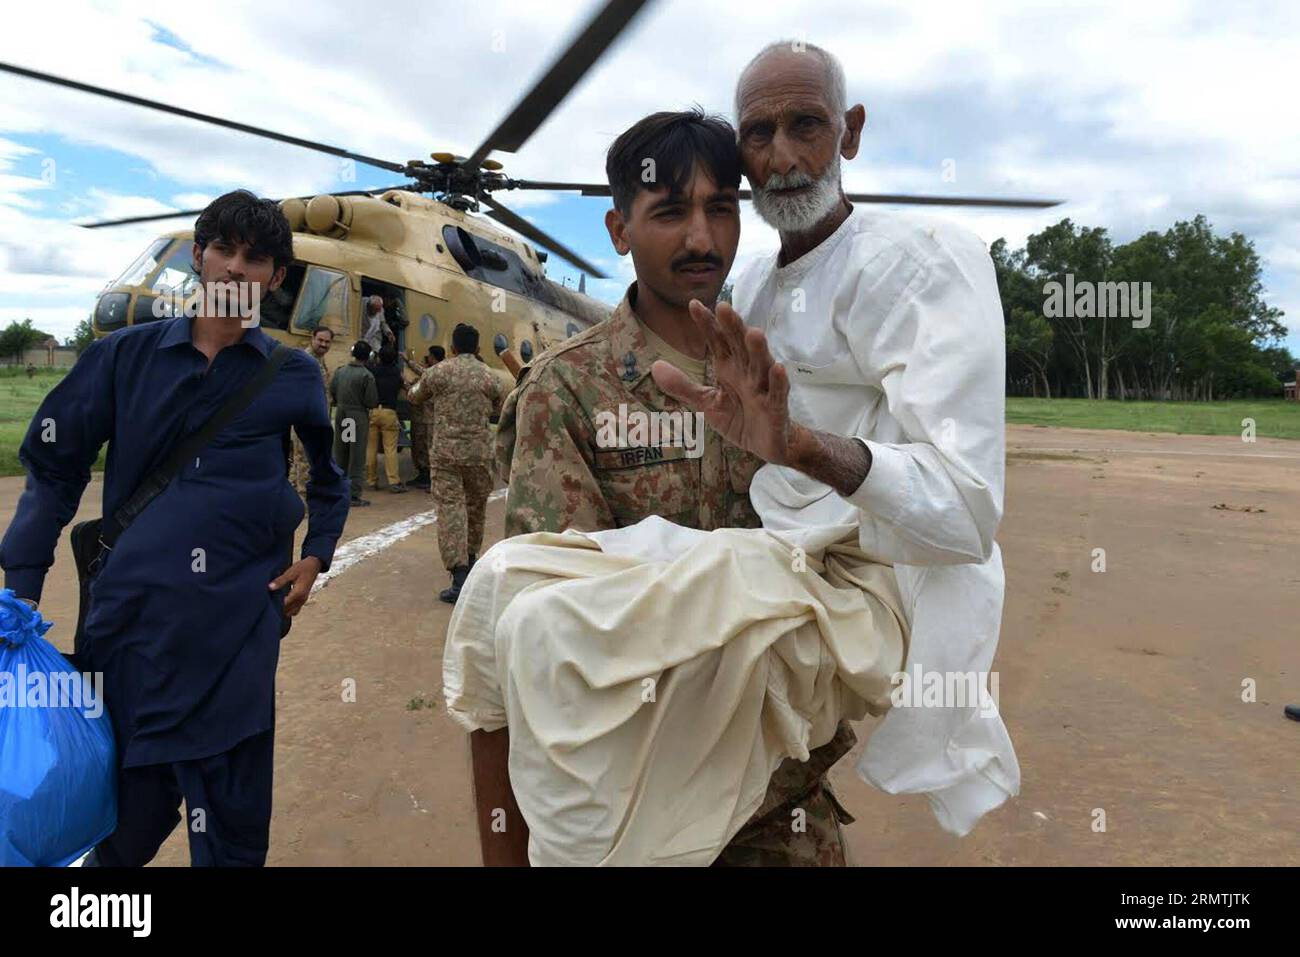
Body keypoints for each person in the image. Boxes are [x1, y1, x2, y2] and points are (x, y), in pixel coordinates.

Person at [456, 109, 844, 867]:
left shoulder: (793, 367)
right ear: (618, 228)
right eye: (670, 211)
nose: (702, 239)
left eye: (721, 208)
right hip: (638, 815)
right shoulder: (566, 392)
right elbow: (534, 648)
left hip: (783, 806)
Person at [649, 41, 1017, 841]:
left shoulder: (922, 267)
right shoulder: (748, 290)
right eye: (758, 134)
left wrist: (803, 446)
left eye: (805, 126)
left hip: (885, 578)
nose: (782, 158)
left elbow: (966, 510)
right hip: (772, 559)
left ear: (849, 134)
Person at [0, 189, 349, 866]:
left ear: (276, 278)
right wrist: (20, 592)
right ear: (198, 257)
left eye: (257, 259)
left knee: (232, 827)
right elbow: (53, 469)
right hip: (130, 627)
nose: (236, 269)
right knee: (122, 823)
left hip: (238, 636)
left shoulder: (294, 375)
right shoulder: (122, 358)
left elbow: (330, 478)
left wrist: (318, 554)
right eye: (224, 250)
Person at [409, 323, 505, 603]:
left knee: (451, 508)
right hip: (478, 453)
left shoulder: (437, 372)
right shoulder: (490, 376)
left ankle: (459, 575)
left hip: (445, 454)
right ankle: (472, 560)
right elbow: (499, 405)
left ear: (452, 347)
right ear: (477, 348)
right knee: (476, 507)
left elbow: (415, 396)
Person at [331, 340, 378, 507]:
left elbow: (333, 392)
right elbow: (371, 401)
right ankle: (354, 494)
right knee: (356, 456)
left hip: (342, 415)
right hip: (357, 417)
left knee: (342, 452)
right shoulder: (366, 375)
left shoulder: (340, 371)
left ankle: (339, 489)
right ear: (369, 356)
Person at [291, 325, 334, 494]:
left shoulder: (319, 361)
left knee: (299, 460)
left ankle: (293, 496)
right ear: (312, 338)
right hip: (306, 419)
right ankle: (303, 498)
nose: (323, 344)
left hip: (316, 419)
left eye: (327, 342)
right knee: (304, 460)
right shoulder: (305, 360)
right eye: (320, 340)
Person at [366, 345, 408, 494]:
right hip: (389, 412)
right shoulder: (397, 372)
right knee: (390, 449)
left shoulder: (372, 371)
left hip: (373, 411)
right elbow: (406, 387)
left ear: (379, 357)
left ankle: (371, 480)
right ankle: (393, 481)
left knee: (371, 448)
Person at [402, 345, 444, 491]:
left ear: (433, 357)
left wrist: (408, 362)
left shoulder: (438, 373)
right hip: (421, 418)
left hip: (430, 418)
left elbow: (424, 374)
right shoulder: (430, 375)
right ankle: (424, 474)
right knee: (419, 447)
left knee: (429, 448)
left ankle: (431, 478)